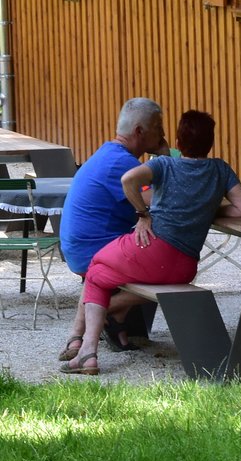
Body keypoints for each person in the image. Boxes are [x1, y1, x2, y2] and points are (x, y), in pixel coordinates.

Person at [59, 109, 241, 375]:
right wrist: (207, 209)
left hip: (153, 252)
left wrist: (142, 214)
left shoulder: (164, 165)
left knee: (95, 272)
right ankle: (99, 329)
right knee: (104, 273)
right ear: (211, 142)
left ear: (176, 141)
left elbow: (129, 180)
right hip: (185, 266)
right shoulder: (220, 169)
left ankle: (88, 352)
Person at [59, 97, 169, 352]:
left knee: (150, 249)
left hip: (80, 248)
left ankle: (81, 334)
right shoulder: (124, 164)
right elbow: (160, 200)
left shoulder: (109, 153)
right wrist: (166, 159)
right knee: (174, 266)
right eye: (158, 127)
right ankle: (105, 311)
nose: (163, 133)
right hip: (91, 252)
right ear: (139, 131)